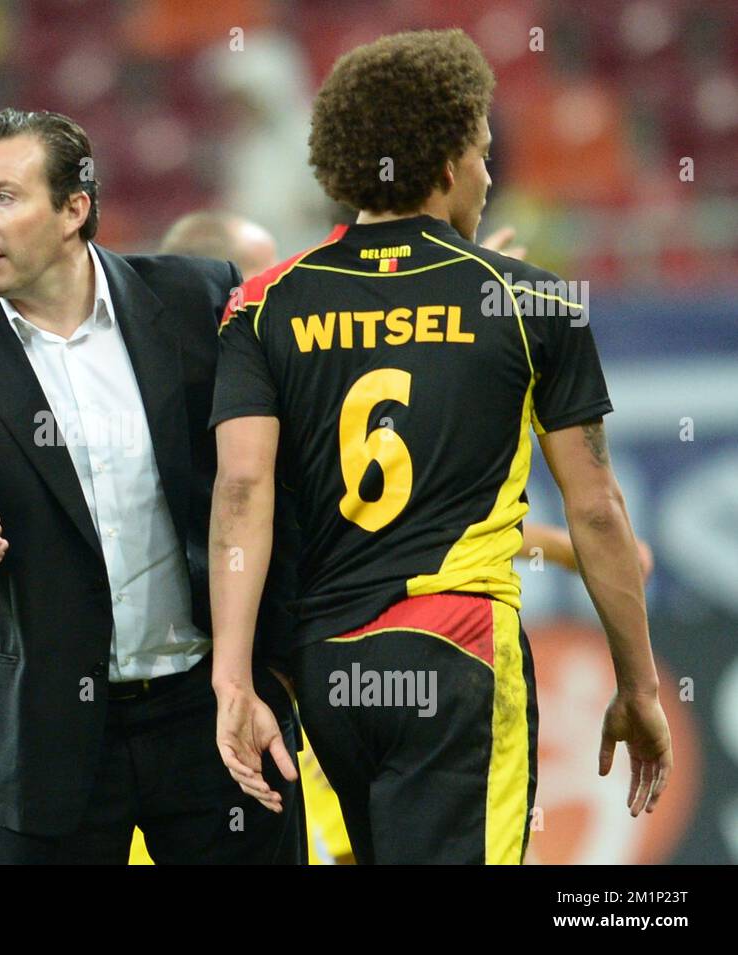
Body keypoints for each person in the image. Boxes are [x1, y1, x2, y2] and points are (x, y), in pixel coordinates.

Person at [206, 29, 671, 864]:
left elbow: (242, 493)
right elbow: (597, 507)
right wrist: (637, 685)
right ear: (451, 159)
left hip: (327, 672)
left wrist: (232, 677)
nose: (490, 177)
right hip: (457, 649)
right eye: (485, 152)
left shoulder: (262, 305)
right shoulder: (532, 303)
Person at [0, 108, 304, 864]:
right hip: (44, 745)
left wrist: (283, 667)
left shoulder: (200, 299)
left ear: (75, 209)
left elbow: (270, 485)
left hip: (211, 713)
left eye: (2, 196)